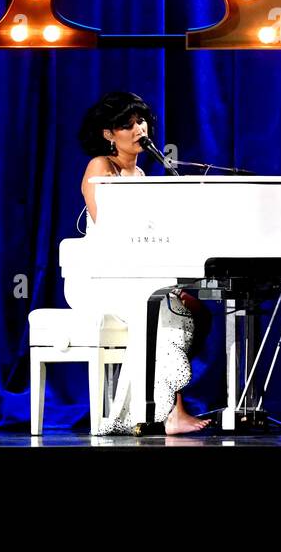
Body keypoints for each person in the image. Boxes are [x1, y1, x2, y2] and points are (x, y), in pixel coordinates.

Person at [77, 91, 210, 434]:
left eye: (142, 121)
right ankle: (171, 413)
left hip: (136, 275)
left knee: (190, 307)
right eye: (128, 124)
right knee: (165, 309)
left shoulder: (142, 177)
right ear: (109, 134)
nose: (139, 129)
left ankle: (158, 406)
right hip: (100, 278)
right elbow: (109, 227)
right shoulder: (100, 166)